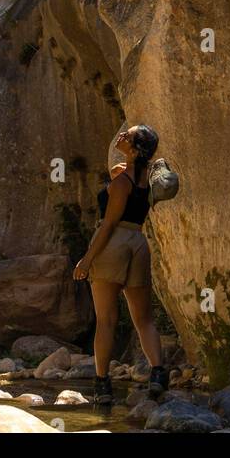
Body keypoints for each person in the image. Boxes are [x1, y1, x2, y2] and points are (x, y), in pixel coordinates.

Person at [74, 124, 170, 406]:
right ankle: (158, 375)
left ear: (136, 147)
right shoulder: (145, 178)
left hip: (113, 244)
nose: (121, 136)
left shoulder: (121, 183)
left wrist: (86, 260)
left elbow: (108, 225)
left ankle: (102, 386)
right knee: (144, 318)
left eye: (127, 135)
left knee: (106, 321)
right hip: (138, 244)